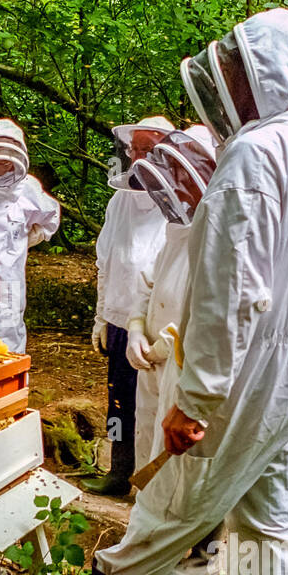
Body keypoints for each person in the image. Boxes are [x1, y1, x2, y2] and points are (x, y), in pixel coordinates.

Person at [89, 9, 288, 575]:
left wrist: (197, 399)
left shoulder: (253, 154)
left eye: (239, 68)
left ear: (266, 74)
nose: (229, 82)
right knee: (272, 514)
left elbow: (232, 294)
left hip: (254, 366)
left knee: (182, 500)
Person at [122, 127, 222, 575]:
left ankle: (198, 558)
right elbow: (148, 286)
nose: (174, 184)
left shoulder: (222, 233)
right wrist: (136, 329)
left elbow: (216, 313)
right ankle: (149, 541)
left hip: (194, 372)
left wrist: (165, 342)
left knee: (196, 462)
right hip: (157, 368)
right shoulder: (175, 230)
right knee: (151, 445)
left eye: (182, 173)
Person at [83, 114, 175, 497]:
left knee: (155, 408)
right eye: (134, 149)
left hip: (160, 328)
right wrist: (101, 316)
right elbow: (106, 261)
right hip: (121, 322)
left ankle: (150, 486)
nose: (139, 157)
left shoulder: (179, 201)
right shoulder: (120, 200)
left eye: (148, 150)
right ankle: (119, 471)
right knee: (119, 405)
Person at [0, 118, 61, 353]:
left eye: (9, 150)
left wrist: (33, 236)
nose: (2, 157)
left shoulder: (28, 187)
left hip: (8, 282)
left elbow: (51, 217)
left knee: (8, 346)